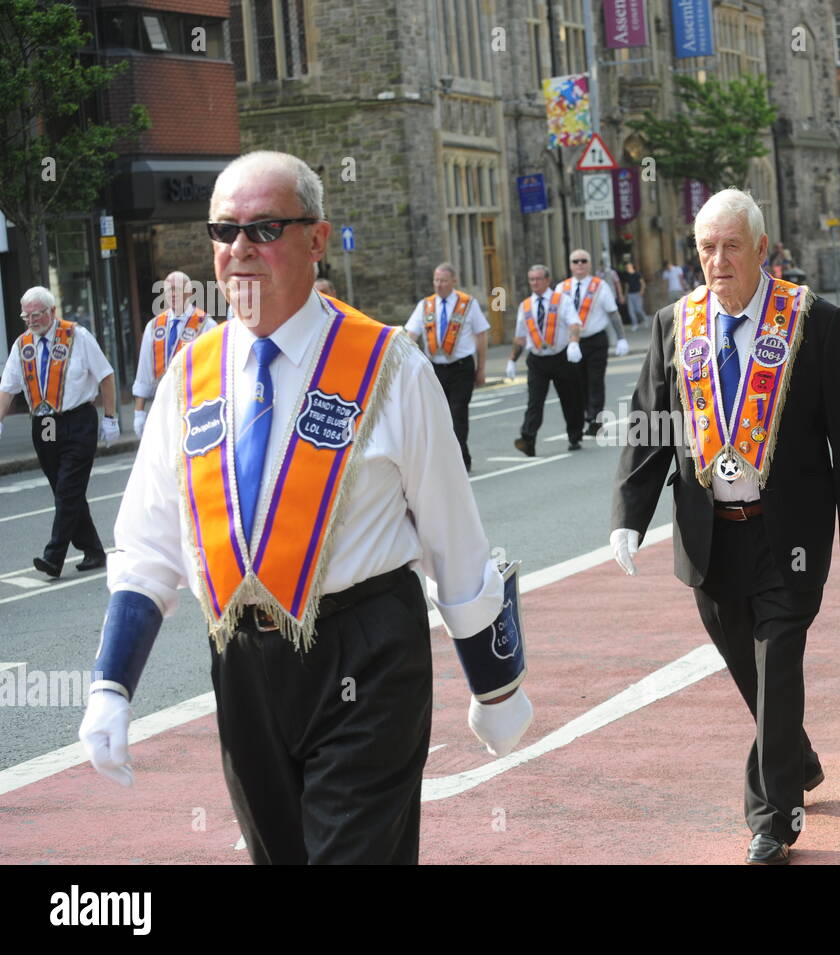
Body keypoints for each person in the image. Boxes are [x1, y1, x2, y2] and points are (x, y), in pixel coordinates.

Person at [75, 150, 532, 865]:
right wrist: (112, 681)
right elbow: (149, 545)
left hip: (368, 649)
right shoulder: (189, 376)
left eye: (264, 229)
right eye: (224, 231)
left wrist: (496, 686)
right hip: (244, 659)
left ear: (317, 241)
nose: (238, 250)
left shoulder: (389, 364)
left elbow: (453, 535)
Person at [610, 189, 840, 866]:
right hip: (710, 531)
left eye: (731, 245)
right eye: (706, 246)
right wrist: (628, 515)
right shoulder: (678, 323)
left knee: (778, 659)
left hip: (788, 529)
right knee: (744, 661)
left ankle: (773, 819)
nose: (717, 259)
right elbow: (652, 422)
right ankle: (799, 754)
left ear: (761, 249)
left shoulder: (810, 320)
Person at [0, 286, 119, 578]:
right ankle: (92, 550)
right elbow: (7, 388)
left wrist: (111, 417)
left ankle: (53, 557)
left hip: (78, 420)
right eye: (26, 316)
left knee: (68, 489)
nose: (31, 320)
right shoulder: (22, 345)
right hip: (46, 425)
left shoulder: (77, 336)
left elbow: (106, 375)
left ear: (52, 311)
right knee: (64, 490)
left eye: (37, 314)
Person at [404, 262, 489, 472]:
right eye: (436, 280)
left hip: (461, 368)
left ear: (453, 281)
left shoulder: (468, 304)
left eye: (443, 280)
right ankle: (446, 457)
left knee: (458, 412)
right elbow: (411, 334)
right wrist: (405, 358)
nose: (438, 285)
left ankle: (460, 459)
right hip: (435, 369)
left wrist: (481, 368)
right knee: (436, 415)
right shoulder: (426, 305)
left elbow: (481, 335)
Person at [506, 264, 584, 455]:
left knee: (570, 399)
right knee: (534, 402)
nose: (534, 283)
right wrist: (512, 360)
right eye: (531, 279)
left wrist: (573, 343)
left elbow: (574, 323)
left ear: (547, 280)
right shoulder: (525, 306)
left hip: (560, 358)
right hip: (537, 361)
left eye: (538, 279)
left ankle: (574, 436)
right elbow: (520, 337)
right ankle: (527, 440)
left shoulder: (561, 300)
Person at [132, 271, 217, 437]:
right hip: (162, 406)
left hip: (194, 404)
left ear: (190, 292)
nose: (172, 294)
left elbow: (213, 372)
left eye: (177, 289)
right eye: (168, 289)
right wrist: (139, 412)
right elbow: (144, 372)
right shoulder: (154, 326)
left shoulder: (206, 325)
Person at [558, 248, 628, 437]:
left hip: (596, 340)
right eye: (575, 261)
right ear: (570, 265)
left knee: (595, 380)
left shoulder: (600, 286)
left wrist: (621, 338)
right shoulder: (562, 288)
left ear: (589, 264)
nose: (579, 264)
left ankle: (595, 420)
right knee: (577, 382)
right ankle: (581, 418)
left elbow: (613, 313)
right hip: (573, 342)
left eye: (583, 261)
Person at [622, 260, 649, 330]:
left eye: (628, 267)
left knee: (638, 309)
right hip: (630, 294)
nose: (627, 268)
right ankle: (635, 324)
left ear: (631, 267)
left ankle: (646, 319)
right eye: (626, 267)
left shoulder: (637, 274)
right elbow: (626, 286)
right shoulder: (626, 276)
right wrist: (625, 295)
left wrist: (642, 290)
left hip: (637, 293)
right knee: (631, 310)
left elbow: (643, 283)